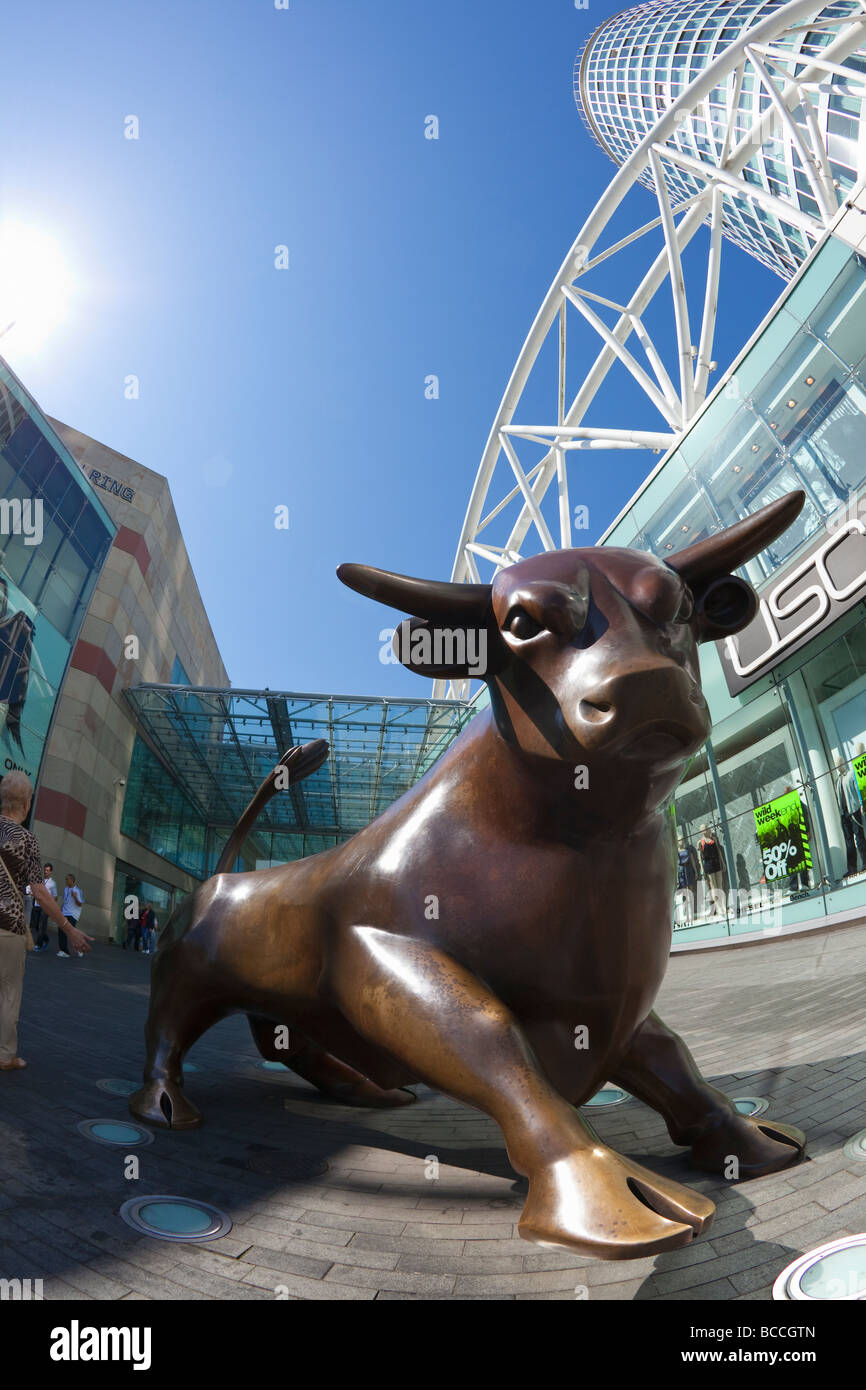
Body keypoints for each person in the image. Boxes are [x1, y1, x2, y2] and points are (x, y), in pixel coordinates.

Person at [0, 772, 93, 1070]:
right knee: (9, 991)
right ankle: (5, 1055)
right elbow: (39, 892)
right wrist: (69, 929)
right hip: (8, 926)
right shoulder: (27, 840)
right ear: (27, 803)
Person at [31, 861, 57, 951]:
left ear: (51, 872)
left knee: (42, 926)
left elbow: (55, 897)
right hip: (36, 905)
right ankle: (46, 939)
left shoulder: (52, 884)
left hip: (45, 907)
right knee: (36, 926)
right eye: (45, 870)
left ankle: (38, 944)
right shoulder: (39, 880)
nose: (46, 872)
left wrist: (52, 908)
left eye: (48, 870)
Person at [59, 874, 85, 958]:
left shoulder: (77, 891)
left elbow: (80, 904)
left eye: (67, 879)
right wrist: (61, 909)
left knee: (72, 934)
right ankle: (64, 951)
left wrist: (75, 897)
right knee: (61, 930)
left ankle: (80, 949)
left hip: (73, 915)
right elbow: (65, 901)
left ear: (72, 880)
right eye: (65, 879)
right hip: (65, 913)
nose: (65, 881)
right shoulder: (66, 889)